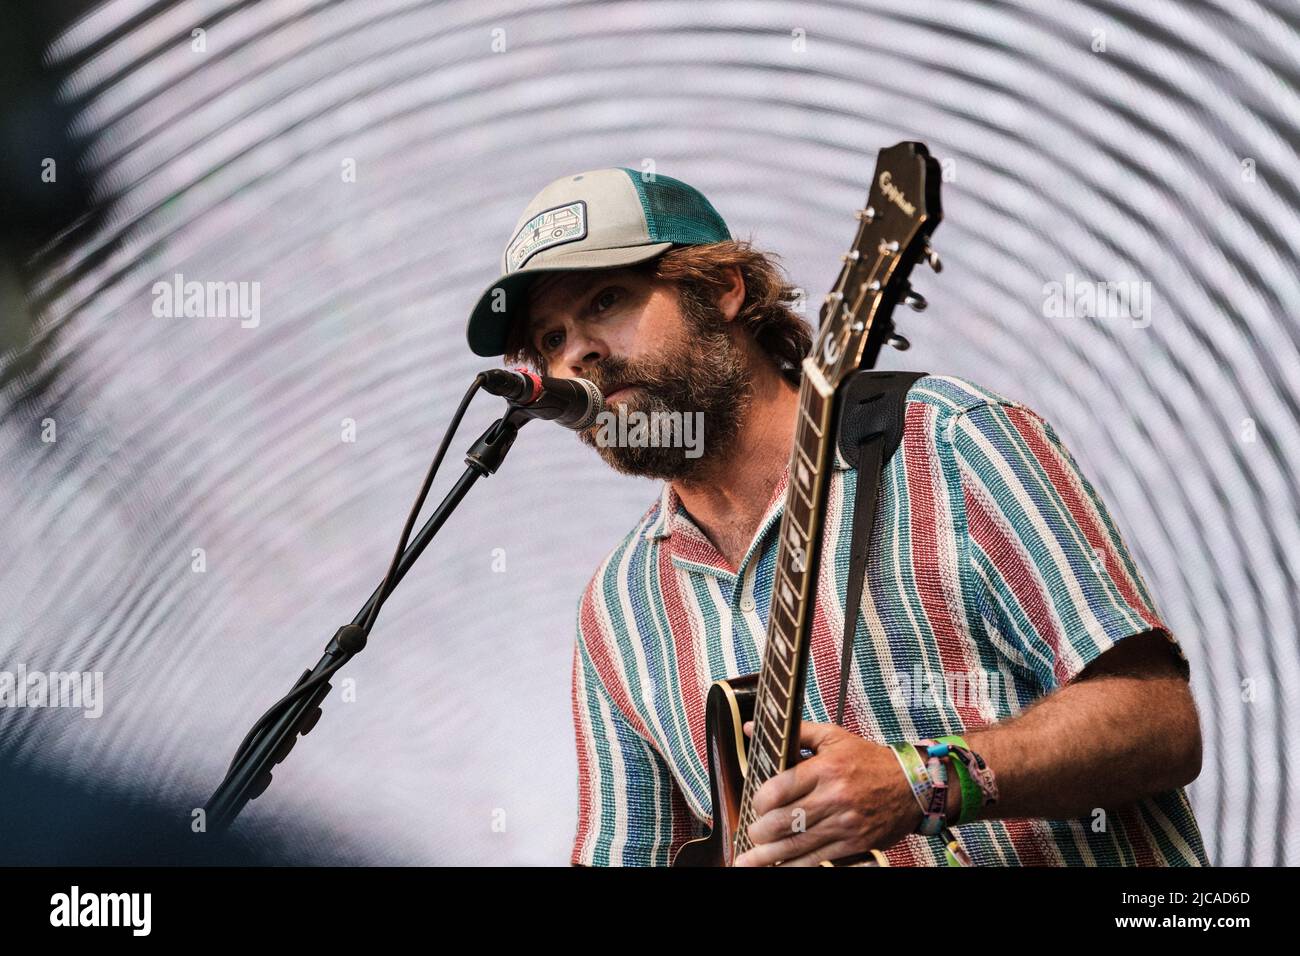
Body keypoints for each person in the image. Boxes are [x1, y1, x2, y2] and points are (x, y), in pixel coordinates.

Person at [466, 167, 1209, 866]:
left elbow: (1160, 722)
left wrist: (920, 780)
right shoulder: (619, 609)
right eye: (551, 339)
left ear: (722, 288)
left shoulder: (951, 442)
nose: (578, 357)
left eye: (605, 302)